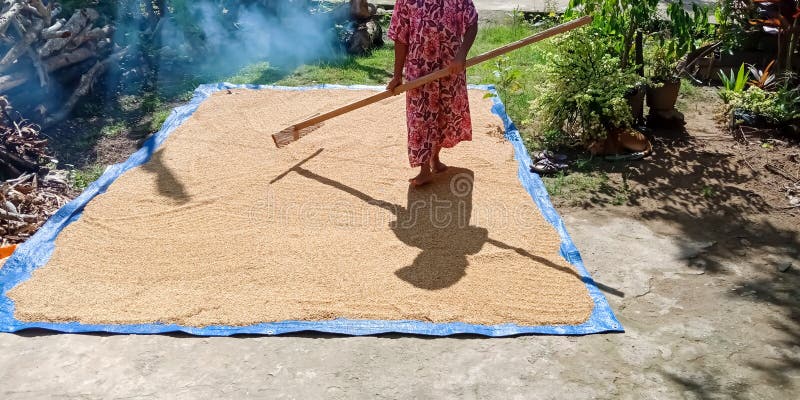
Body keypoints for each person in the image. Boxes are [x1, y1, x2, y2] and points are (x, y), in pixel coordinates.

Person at [386, 0, 479, 187]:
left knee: (444, 115)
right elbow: (400, 36)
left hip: (450, 67)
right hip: (420, 70)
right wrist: (397, 75)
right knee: (420, 118)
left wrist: (461, 56)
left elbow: (472, 23)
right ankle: (424, 170)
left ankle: (434, 159)